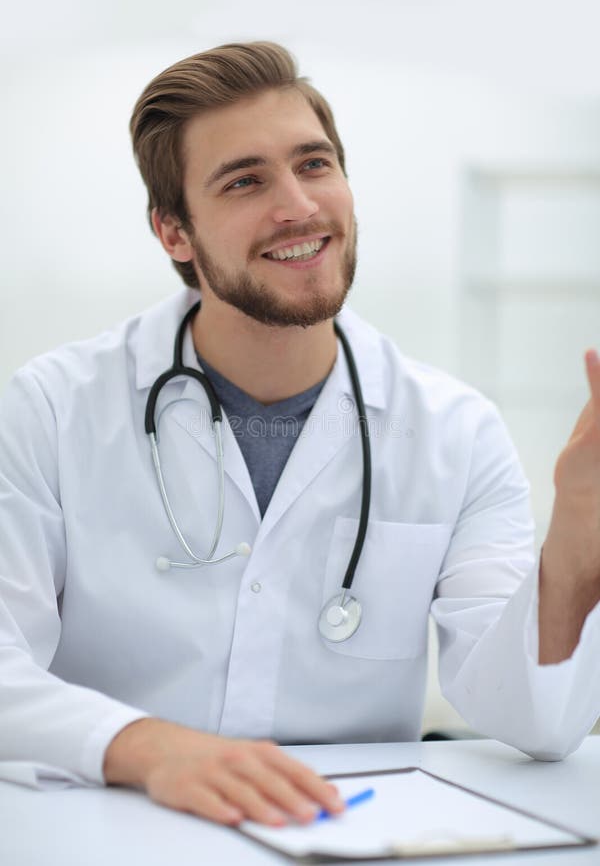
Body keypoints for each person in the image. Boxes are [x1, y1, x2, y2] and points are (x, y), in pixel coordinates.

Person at [0, 41, 599, 829]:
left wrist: (578, 552)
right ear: (174, 232)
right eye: (245, 180)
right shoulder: (52, 409)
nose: (299, 206)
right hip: (115, 829)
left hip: (345, 829)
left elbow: (536, 722)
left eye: (314, 165)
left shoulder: (455, 432)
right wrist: (149, 748)